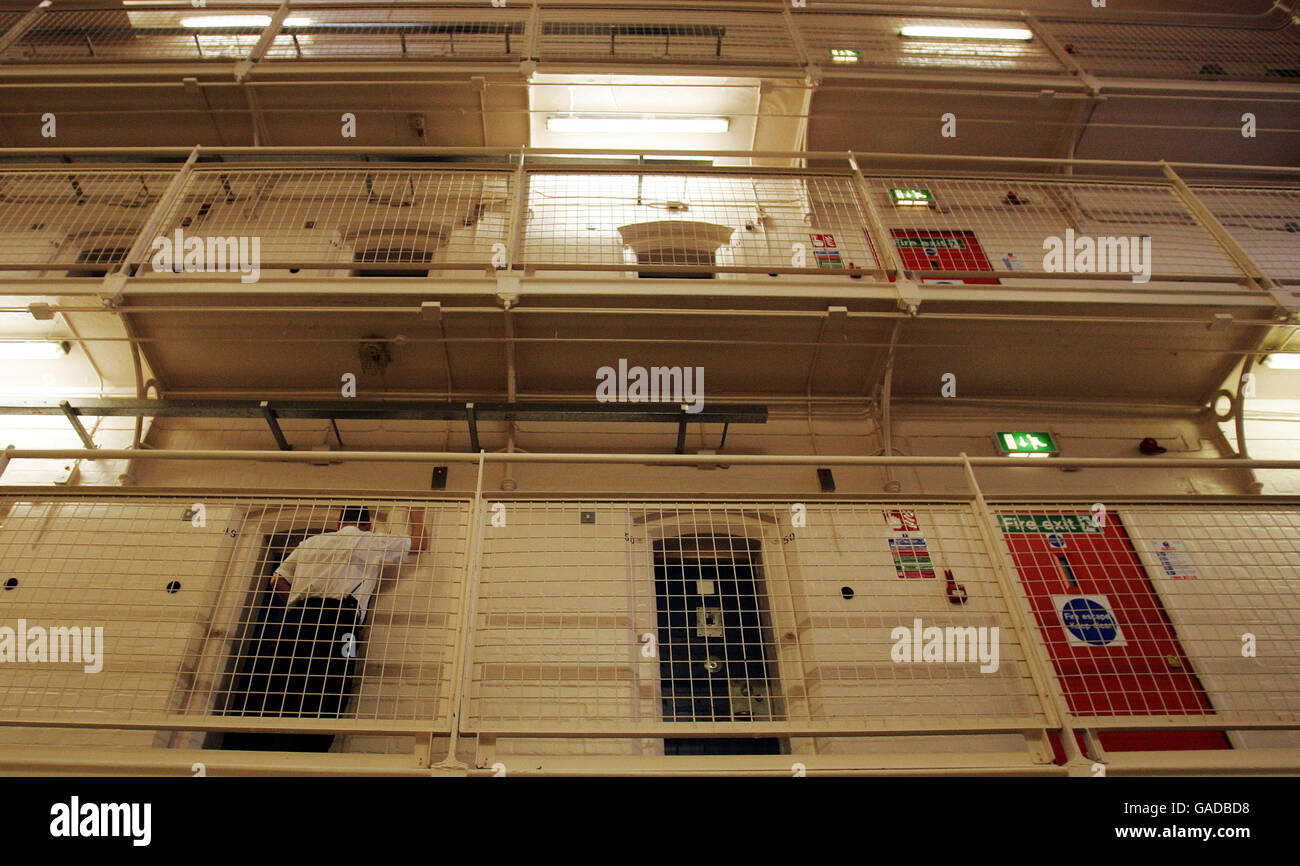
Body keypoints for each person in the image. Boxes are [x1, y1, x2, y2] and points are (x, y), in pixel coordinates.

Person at [223, 505, 428, 752]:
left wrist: (299, 600)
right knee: (334, 683)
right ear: (368, 525)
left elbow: (277, 579)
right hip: (343, 624)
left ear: (338, 524)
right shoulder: (369, 541)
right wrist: (417, 512)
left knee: (282, 681)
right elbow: (420, 544)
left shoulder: (312, 542)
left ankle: (259, 748)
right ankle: (312, 751)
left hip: (298, 620)